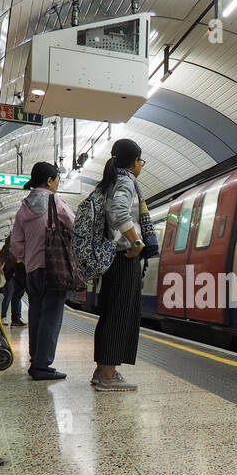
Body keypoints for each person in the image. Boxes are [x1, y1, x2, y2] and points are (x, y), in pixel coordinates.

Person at [90, 138, 147, 391]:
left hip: (114, 258)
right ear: (135, 161)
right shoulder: (126, 181)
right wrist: (136, 243)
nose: (141, 165)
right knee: (120, 315)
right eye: (140, 160)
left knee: (112, 313)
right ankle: (108, 375)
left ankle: (103, 370)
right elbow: (119, 212)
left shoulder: (113, 180)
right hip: (124, 258)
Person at [11, 161, 75, 380]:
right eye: (57, 179)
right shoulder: (55, 201)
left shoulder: (23, 207)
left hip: (32, 271)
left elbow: (16, 244)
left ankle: (35, 359)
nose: (58, 183)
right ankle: (42, 365)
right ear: (49, 180)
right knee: (51, 317)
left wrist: (27, 260)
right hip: (54, 269)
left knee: (36, 315)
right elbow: (74, 225)